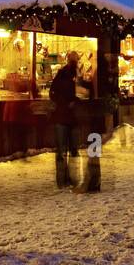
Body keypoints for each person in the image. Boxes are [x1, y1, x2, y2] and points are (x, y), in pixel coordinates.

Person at [48, 51, 79, 189]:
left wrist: (74, 101)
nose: (76, 62)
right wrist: (67, 103)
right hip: (62, 117)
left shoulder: (73, 75)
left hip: (69, 117)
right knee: (63, 150)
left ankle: (68, 179)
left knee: (70, 150)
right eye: (74, 60)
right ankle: (63, 180)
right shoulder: (64, 74)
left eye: (76, 59)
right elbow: (53, 93)